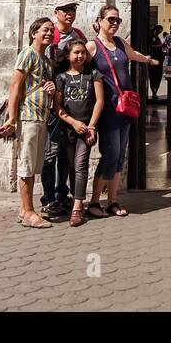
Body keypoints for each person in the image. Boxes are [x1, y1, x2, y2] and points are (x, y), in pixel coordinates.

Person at [87, 4, 161, 218]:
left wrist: (149, 60)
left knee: (119, 157)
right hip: (108, 110)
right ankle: (93, 202)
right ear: (99, 21)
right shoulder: (93, 46)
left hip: (125, 109)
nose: (114, 24)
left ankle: (113, 201)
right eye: (110, 19)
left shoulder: (119, 43)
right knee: (109, 155)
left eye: (117, 20)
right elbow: (79, 66)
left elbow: (133, 54)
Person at [0, 17, 56, 229]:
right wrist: (12, 118)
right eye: (45, 30)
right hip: (28, 116)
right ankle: (28, 211)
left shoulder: (47, 61)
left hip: (41, 117)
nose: (49, 33)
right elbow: (15, 86)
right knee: (27, 165)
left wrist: (50, 89)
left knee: (33, 166)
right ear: (34, 33)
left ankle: (25, 209)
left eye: (51, 31)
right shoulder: (27, 54)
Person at [40, 1, 86, 218]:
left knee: (66, 155)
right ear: (56, 13)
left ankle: (61, 195)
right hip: (51, 104)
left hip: (71, 102)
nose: (70, 13)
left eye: (73, 10)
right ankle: (48, 199)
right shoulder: (49, 36)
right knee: (50, 154)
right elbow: (37, 65)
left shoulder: (78, 35)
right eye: (65, 10)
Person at [54, 38, 106, 227]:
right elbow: (58, 107)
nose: (80, 55)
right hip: (69, 129)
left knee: (81, 163)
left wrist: (91, 126)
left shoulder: (93, 74)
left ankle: (77, 208)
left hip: (87, 130)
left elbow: (100, 101)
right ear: (68, 56)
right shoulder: (61, 78)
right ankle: (76, 200)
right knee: (71, 166)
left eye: (83, 52)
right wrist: (73, 122)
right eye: (76, 52)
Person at [148, 25, 166, 102]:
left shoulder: (158, 38)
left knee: (158, 76)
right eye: (158, 30)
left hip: (159, 59)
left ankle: (155, 92)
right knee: (153, 76)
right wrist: (161, 46)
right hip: (153, 59)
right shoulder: (150, 38)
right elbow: (150, 47)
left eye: (160, 31)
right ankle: (153, 92)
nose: (158, 32)